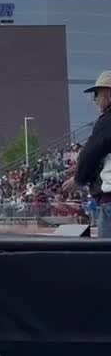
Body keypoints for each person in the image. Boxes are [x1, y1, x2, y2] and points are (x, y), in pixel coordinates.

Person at [65, 70, 111, 237]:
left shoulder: (108, 120)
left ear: (108, 94)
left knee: (106, 257)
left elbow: (91, 152)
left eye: (97, 95)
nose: (96, 101)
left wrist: (79, 179)